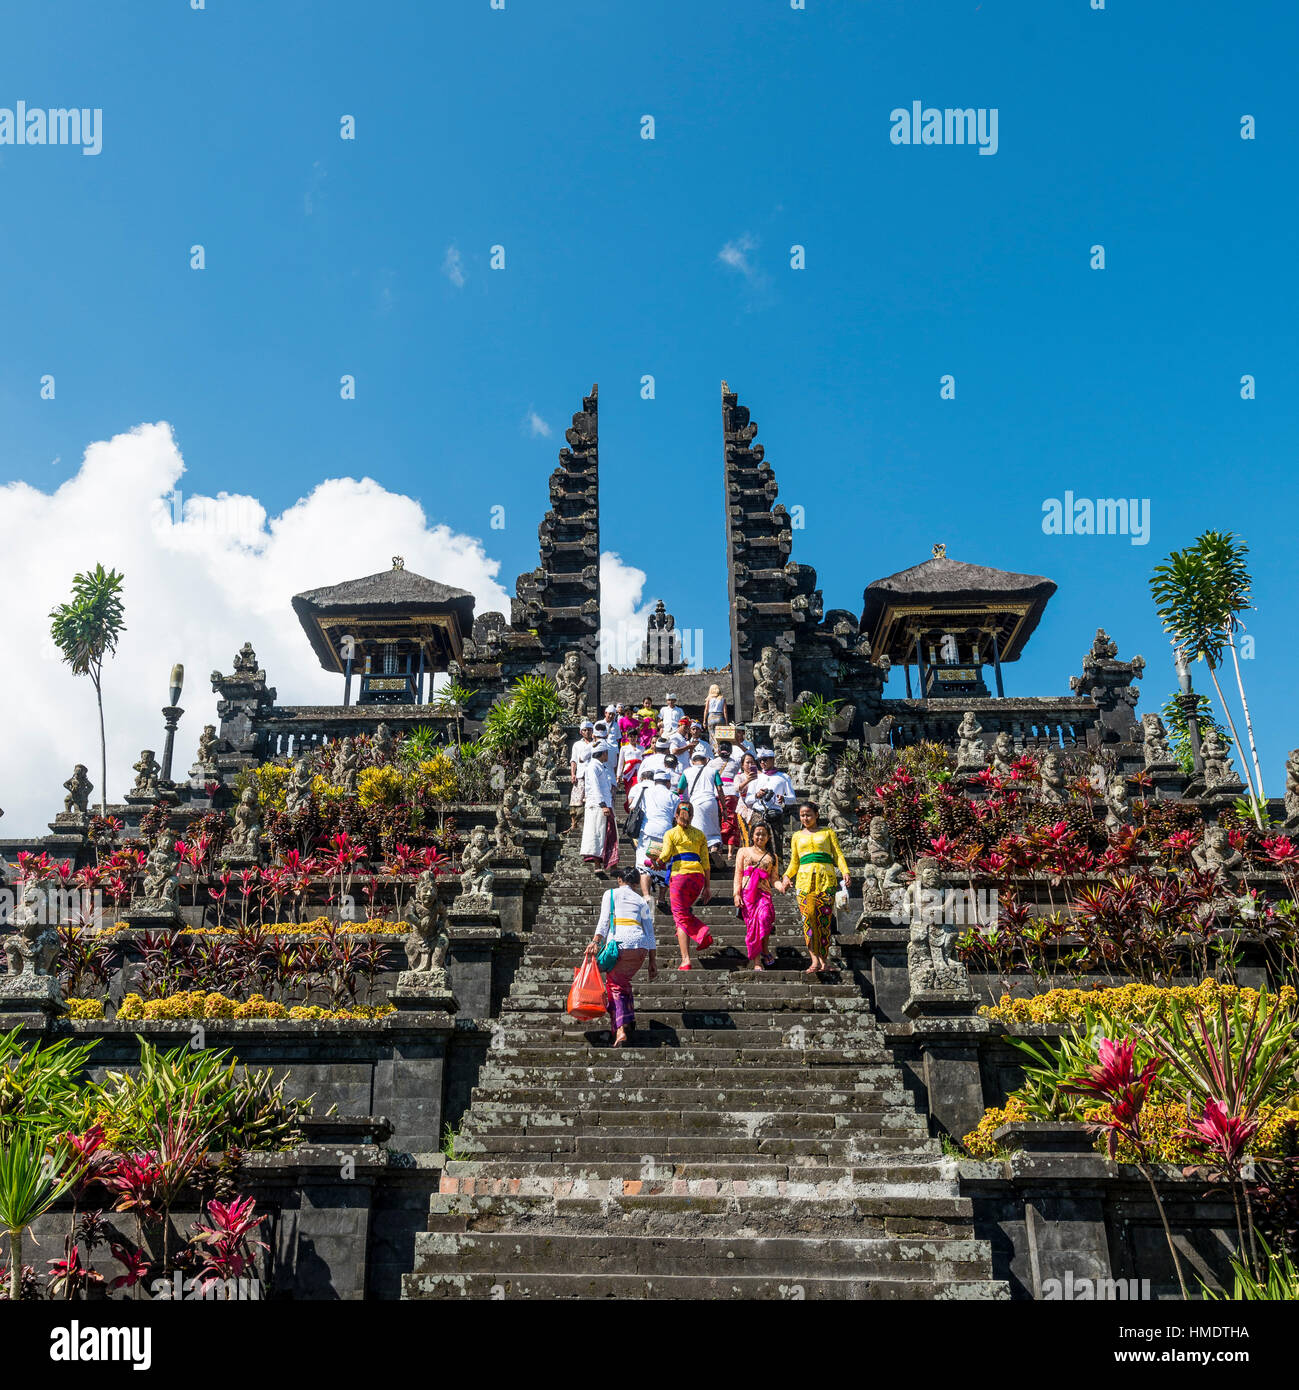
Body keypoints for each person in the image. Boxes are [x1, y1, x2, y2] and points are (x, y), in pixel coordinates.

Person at [587, 865, 658, 1047]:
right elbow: (650, 933)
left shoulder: (610, 894)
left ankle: (620, 1029)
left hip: (620, 944)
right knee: (622, 982)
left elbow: (604, 922)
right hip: (640, 947)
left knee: (614, 985)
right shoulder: (643, 901)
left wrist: (595, 942)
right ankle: (628, 1020)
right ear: (636, 883)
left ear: (620, 880)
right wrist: (652, 962)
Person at [777, 802, 851, 973]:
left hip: (826, 880)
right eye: (802, 815)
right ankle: (814, 960)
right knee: (808, 918)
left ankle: (825, 961)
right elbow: (794, 861)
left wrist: (845, 871)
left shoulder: (827, 832)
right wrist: (787, 876)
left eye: (808, 814)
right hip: (804, 882)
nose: (805, 818)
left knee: (824, 921)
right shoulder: (796, 836)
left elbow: (838, 854)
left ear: (817, 814)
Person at [656, 801, 713, 969]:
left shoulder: (671, 833)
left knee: (680, 918)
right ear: (692, 816)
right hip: (697, 878)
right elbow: (706, 863)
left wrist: (657, 861)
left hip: (680, 877)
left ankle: (688, 956)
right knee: (684, 914)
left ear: (675, 815)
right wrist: (707, 887)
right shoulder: (700, 835)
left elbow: (665, 854)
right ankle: (689, 952)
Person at [733, 818, 778, 970]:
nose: (760, 837)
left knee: (764, 918)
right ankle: (757, 961)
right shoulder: (743, 851)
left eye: (764, 834)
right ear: (752, 836)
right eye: (757, 834)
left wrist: (782, 885)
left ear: (768, 837)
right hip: (747, 894)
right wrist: (736, 894)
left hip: (764, 893)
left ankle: (764, 949)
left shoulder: (772, 857)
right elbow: (738, 874)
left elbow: (774, 879)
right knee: (752, 927)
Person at [634, 767, 679, 902]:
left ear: (655, 781)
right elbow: (677, 817)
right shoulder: (673, 796)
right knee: (663, 865)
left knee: (644, 864)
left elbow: (633, 807)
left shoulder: (645, 792)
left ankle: (646, 895)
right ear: (668, 783)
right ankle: (661, 898)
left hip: (647, 830)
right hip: (665, 832)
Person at [747, 748, 796, 861]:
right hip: (759, 812)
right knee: (756, 842)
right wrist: (757, 795)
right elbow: (748, 800)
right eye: (760, 761)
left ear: (773, 760)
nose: (762, 763)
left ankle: (776, 873)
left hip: (775, 814)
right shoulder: (756, 777)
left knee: (775, 844)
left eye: (765, 759)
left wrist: (783, 798)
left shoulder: (784, 777)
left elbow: (792, 799)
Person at [580, 741, 618, 869]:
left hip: (606, 804)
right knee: (597, 834)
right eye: (607, 753)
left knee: (610, 834)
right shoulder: (592, 767)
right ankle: (597, 865)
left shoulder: (602, 767)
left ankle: (612, 864)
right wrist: (602, 805)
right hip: (597, 806)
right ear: (603, 753)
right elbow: (595, 787)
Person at [679, 747, 724, 852]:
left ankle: (699, 849)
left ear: (693, 761)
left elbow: (680, 790)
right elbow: (720, 789)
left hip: (696, 802)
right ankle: (714, 847)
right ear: (705, 760)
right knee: (713, 827)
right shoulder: (713, 771)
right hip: (711, 801)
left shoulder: (686, 772)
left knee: (697, 827)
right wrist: (724, 807)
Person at [569, 720, 595, 833]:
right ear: (581, 732)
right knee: (576, 800)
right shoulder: (577, 745)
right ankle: (574, 823)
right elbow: (574, 760)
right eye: (585, 730)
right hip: (580, 775)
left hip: (593, 776)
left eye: (589, 730)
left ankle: (591, 825)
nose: (587, 732)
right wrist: (573, 774)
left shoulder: (596, 743)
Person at [732, 751, 762, 848]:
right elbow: (737, 788)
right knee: (746, 836)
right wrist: (748, 780)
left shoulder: (760, 776)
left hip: (757, 809)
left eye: (752, 762)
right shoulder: (739, 777)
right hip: (743, 809)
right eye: (747, 762)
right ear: (742, 765)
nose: (750, 765)